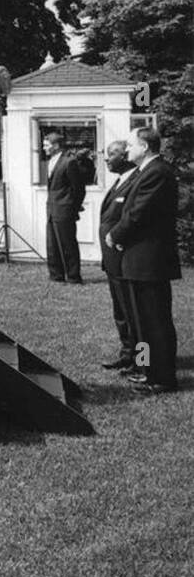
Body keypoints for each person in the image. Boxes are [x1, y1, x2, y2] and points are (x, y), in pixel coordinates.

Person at [107, 126, 180, 394]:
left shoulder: (157, 172)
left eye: (130, 144)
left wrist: (115, 233)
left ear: (145, 146)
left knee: (155, 322)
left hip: (150, 261)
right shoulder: (144, 172)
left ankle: (162, 378)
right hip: (138, 260)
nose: (127, 149)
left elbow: (138, 213)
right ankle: (144, 368)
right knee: (141, 323)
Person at [98, 141, 139, 373]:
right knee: (121, 310)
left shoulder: (136, 180)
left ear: (125, 156)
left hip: (126, 258)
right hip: (112, 259)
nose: (107, 158)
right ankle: (127, 354)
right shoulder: (119, 180)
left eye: (112, 154)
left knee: (134, 313)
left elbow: (132, 219)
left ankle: (141, 360)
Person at [42, 131, 86, 283]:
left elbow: (79, 189)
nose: (44, 148)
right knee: (52, 244)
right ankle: (56, 275)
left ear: (56, 145)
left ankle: (73, 276)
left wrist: (73, 208)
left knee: (67, 244)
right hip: (52, 208)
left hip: (65, 209)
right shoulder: (51, 161)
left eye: (47, 145)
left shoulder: (69, 162)